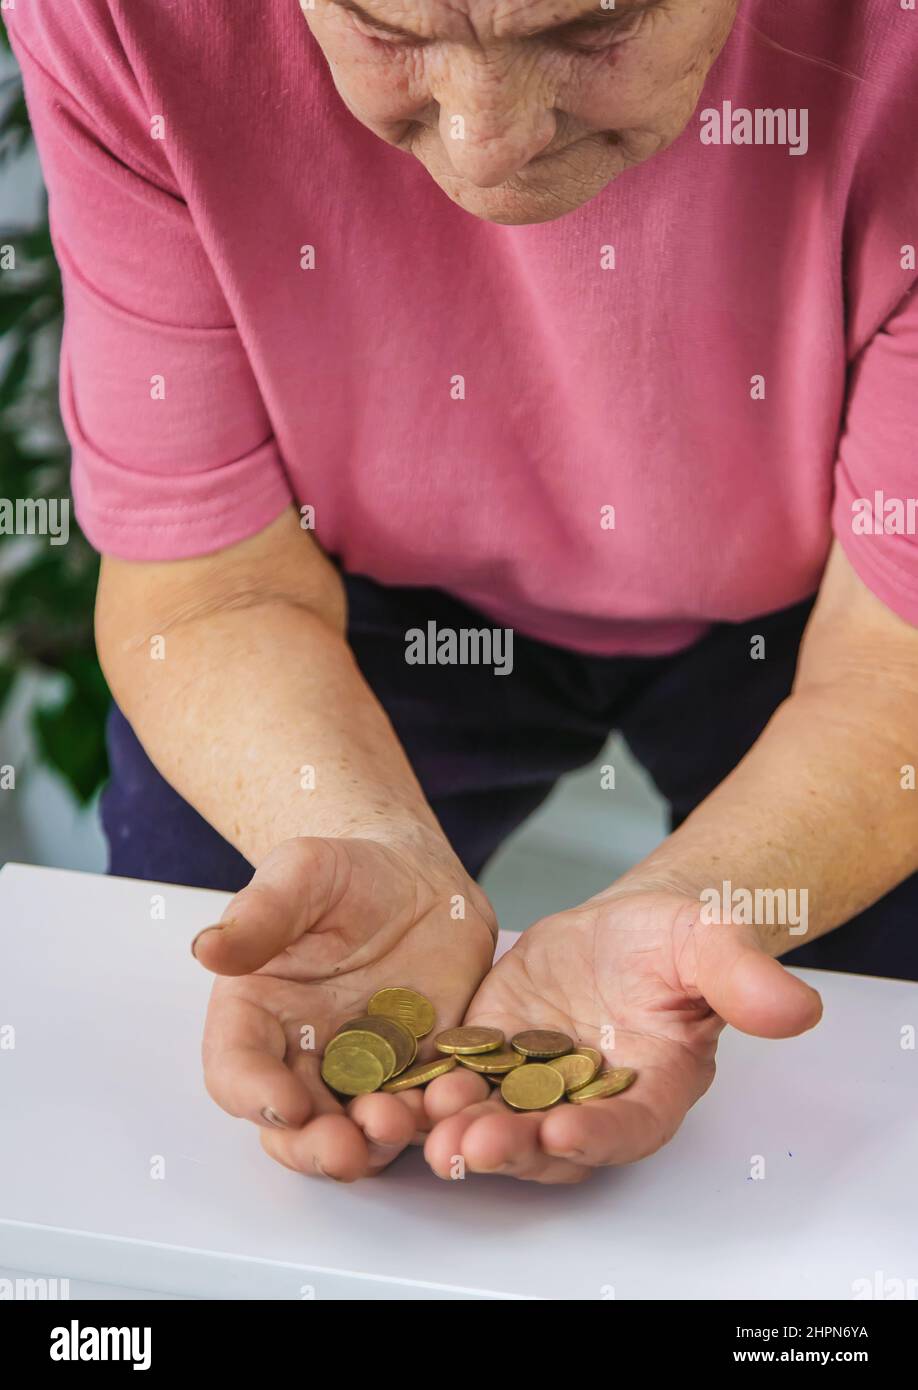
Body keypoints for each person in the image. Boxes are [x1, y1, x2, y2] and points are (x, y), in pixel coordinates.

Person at [7, 0, 918, 1186]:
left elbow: (898, 646)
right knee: (197, 1060)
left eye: (595, 28)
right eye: (386, 26)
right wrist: (350, 831)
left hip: (842, 613)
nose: (491, 152)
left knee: (866, 1114)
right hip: (331, 588)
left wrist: (701, 897)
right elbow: (208, 581)